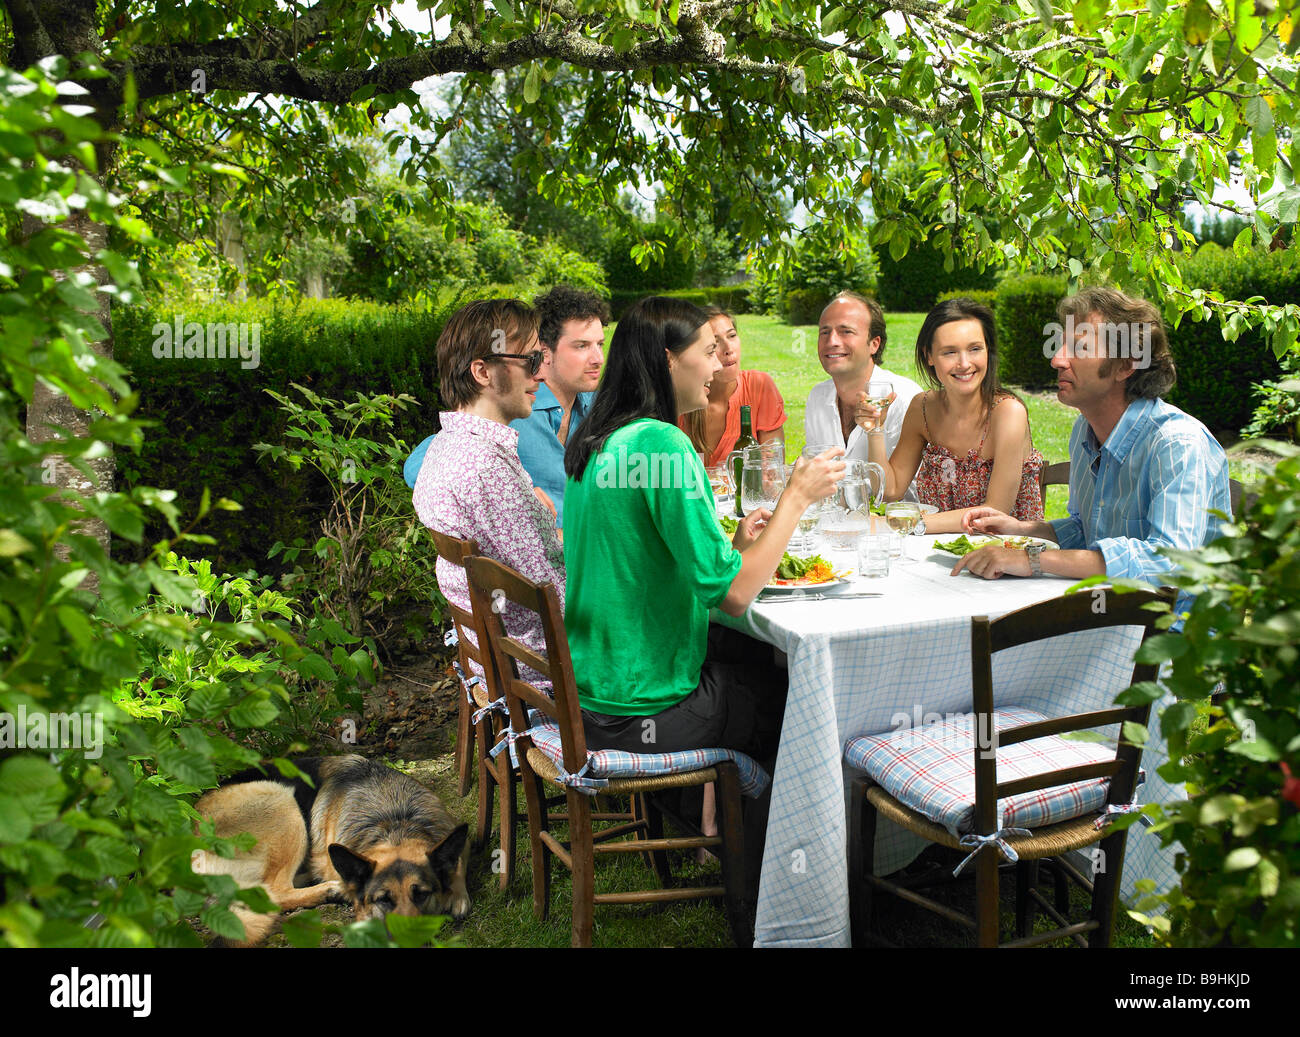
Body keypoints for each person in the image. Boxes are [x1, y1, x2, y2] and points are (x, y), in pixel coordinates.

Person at [562, 296, 843, 897]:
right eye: (709, 352)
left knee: (746, 660)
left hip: (590, 697)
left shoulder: (600, 435)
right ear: (669, 360)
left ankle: (704, 819)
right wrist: (796, 497)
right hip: (639, 712)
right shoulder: (664, 445)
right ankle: (774, 895)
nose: (721, 367)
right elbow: (737, 595)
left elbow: (670, 562)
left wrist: (736, 543)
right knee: (799, 701)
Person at [953, 287, 1231, 588]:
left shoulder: (1177, 444)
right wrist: (1023, 529)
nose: (1057, 360)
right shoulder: (1085, 431)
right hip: (1112, 611)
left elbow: (1171, 562)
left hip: (1174, 628)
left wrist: (1032, 559)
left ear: (1126, 365)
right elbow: (1089, 530)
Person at [411, 299, 565, 680]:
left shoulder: (445, 448)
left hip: (500, 668)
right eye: (530, 361)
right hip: (553, 677)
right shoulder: (486, 468)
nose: (541, 375)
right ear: (482, 371)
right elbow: (553, 601)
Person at [406, 285, 609, 528]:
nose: (598, 358)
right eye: (582, 346)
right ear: (544, 353)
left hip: (591, 549)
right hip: (543, 555)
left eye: (600, 344)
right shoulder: (509, 410)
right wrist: (511, 499)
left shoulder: (602, 408)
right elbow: (421, 466)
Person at [861, 297, 1044, 535]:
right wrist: (874, 428)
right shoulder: (923, 408)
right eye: (949, 352)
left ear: (988, 351)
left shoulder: (1008, 413)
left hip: (1007, 555)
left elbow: (994, 513)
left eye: (975, 349)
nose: (964, 363)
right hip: (937, 554)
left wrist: (899, 524)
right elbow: (890, 491)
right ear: (929, 356)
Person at [804, 291, 923, 474]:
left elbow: (912, 491)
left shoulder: (906, 399)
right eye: (825, 332)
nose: (832, 341)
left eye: (846, 332)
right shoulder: (817, 397)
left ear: (874, 344)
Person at [678, 306, 786, 466]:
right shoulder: (682, 401)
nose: (728, 349)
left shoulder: (758, 385)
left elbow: (772, 468)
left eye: (732, 336)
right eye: (715, 343)